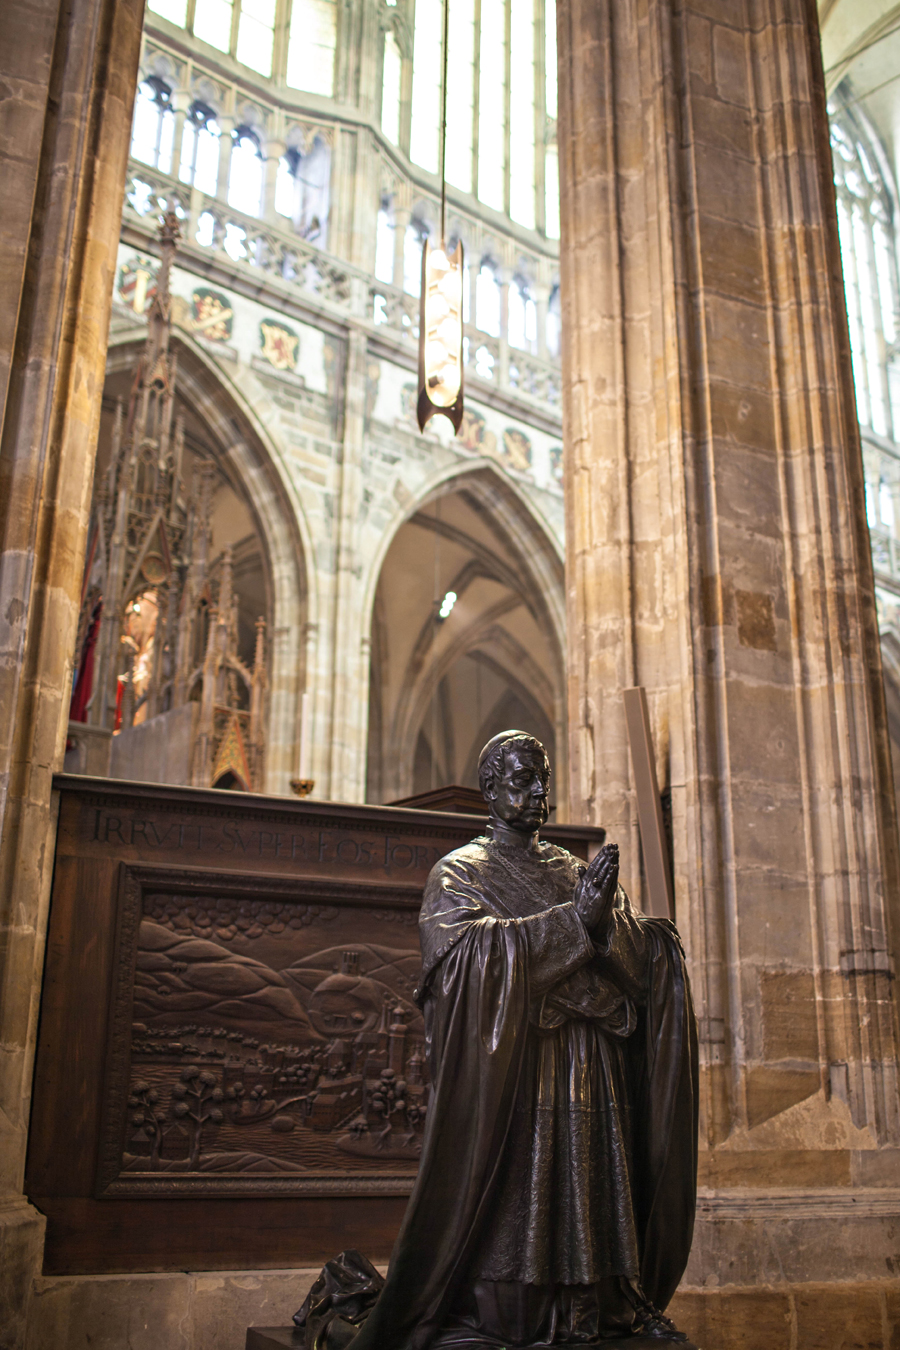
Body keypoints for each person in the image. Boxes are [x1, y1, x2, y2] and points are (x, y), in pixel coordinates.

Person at [296, 730, 699, 1349]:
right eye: (522, 780)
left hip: (589, 1062)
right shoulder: (459, 873)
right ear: (490, 791)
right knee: (523, 1197)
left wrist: (639, 937)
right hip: (518, 1071)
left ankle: (601, 1304)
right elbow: (460, 965)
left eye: (543, 780)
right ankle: (516, 1309)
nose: (538, 792)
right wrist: (575, 923)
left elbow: (634, 964)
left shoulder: (574, 870)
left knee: (594, 1186)